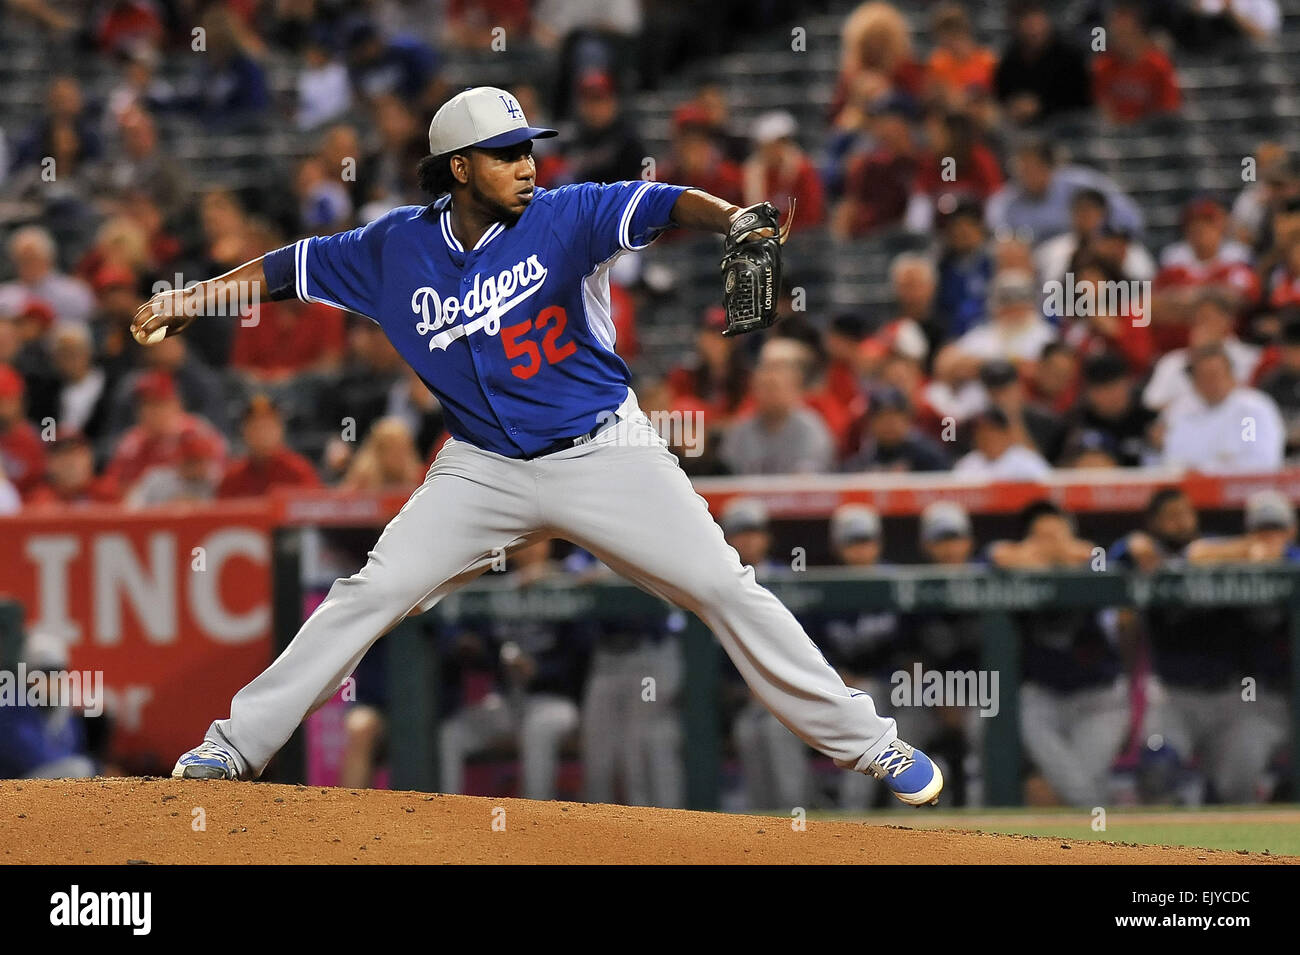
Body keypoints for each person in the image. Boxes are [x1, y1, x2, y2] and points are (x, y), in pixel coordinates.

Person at [141, 87, 942, 805]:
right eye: (506, 154)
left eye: (529, 149)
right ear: (459, 167)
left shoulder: (566, 215)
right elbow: (290, 267)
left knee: (726, 588)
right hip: (481, 466)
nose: (527, 165)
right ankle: (234, 746)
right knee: (367, 593)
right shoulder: (393, 249)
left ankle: (871, 743)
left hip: (603, 450)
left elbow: (662, 202)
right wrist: (196, 298)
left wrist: (732, 218)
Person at [991, 501, 1129, 805]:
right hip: (1044, 696)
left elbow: (1098, 557)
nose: (1051, 545)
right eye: (1042, 537)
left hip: (1100, 697)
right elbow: (997, 556)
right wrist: (1044, 556)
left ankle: (1058, 806)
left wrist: (1061, 554)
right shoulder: (1012, 562)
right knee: (1078, 789)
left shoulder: (1095, 561)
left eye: (1058, 536)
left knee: (1079, 787)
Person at [438, 540, 586, 800]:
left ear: (549, 545)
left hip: (555, 701)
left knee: (537, 729)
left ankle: (534, 821)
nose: (531, 548)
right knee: (453, 734)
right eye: (524, 542)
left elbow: (582, 653)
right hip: (507, 701)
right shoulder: (498, 588)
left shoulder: (566, 581)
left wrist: (540, 669)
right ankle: (448, 814)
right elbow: (467, 634)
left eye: (538, 541)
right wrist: (482, 652)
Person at [1160, 345, 1284, 473]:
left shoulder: (1250, 411)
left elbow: (1259, 462)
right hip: (1192, 487)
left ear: (1231, 375)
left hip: (1242, 489)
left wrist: (1205, 471)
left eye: (1214, 375)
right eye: (1202, 376)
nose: (1209, 382)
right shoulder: (1182, 410)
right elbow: (1173, 459)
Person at [216, 395, 322, 498]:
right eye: (255, 426)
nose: (262, 433)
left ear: (280, 429)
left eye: (268, 426)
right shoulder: (232, 478)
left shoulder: (298, 471)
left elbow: (317, 508)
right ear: (243, 431)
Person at [954, 406, 1052, 481]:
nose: (987, 439)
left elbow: (1048, 486)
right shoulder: (969, 463)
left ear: (1005, 433)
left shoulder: (1027, 460)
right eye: (982, 434)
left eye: (992, 432)